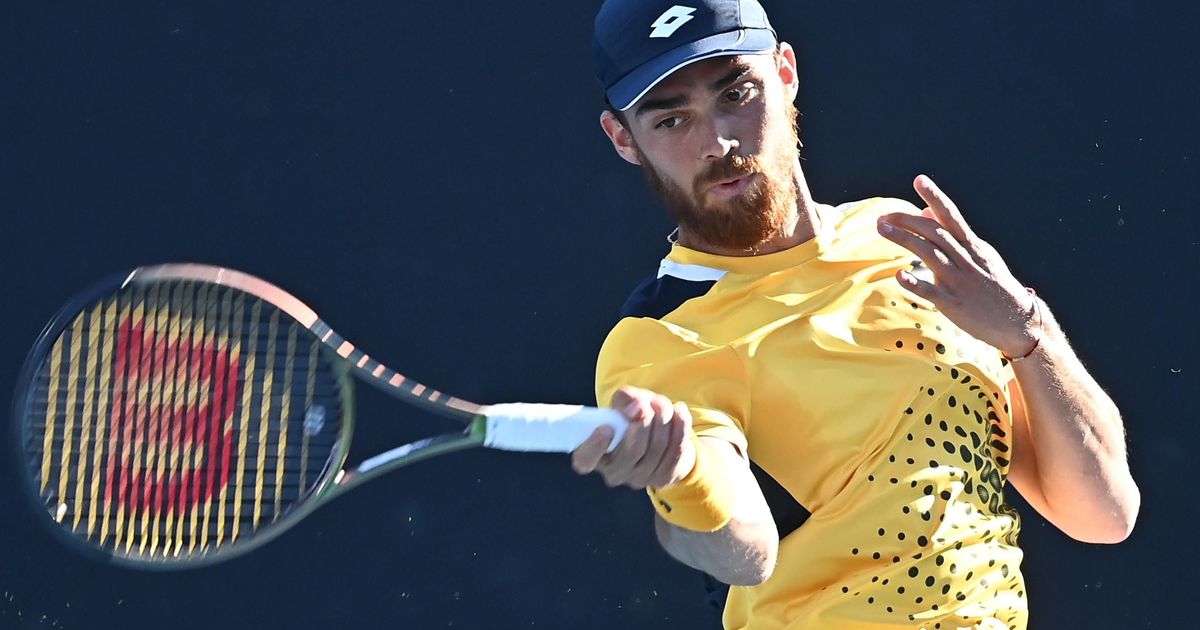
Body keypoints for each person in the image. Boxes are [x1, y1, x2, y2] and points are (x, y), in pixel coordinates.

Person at [570, 0, 1141, 628]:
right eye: (672, 120)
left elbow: (1103, 513)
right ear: (623, 138)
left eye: (736, 92)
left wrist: (1027, 334)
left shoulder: (902, 238)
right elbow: (746, 551)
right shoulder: (660, 342)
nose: (718, 142)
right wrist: (682, 479)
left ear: (785, 73)